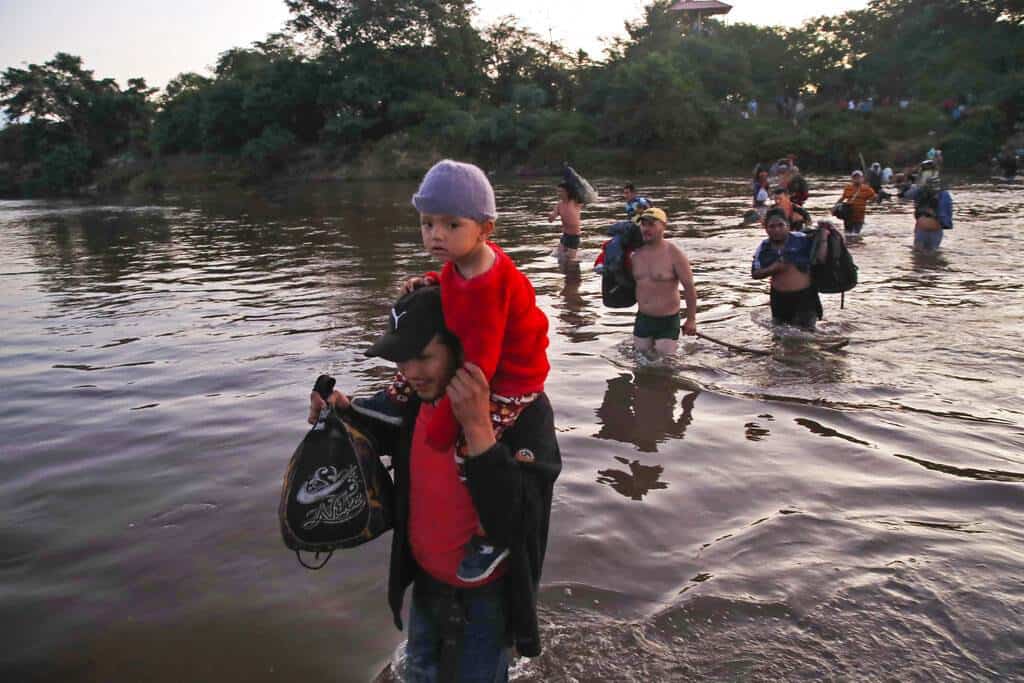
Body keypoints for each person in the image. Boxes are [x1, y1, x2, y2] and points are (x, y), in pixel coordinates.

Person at [309, 285, 560, 681]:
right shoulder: (414, 398)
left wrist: (478, 428)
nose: (409, 372)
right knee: (420, 673)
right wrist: (338, 413)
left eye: (423, 357)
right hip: (427, 578)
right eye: (401, 360)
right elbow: (381, 431)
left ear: (460, 349)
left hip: (490, 592)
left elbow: (518, 519)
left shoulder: (522, 413)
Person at [358, 159, 550, 585]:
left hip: (511, 381)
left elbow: (478, 368)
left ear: (486, 229)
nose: (436, 235)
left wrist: (448, 428)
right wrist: (426, 280)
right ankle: (389, 402)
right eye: (427, 224)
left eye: (450, 225)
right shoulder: (465, 262)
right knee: (407, 386)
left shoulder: (490, 291)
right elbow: (451, 275)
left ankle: (488, 538)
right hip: (429, 574)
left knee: (467, 447)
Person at [630, 207, 698, 355]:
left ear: (664, 226)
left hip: (667, 321)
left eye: (651, 224)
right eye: (643, 224)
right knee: (639, 361)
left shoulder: (675, 254)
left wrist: (691, 319)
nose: (646, 228)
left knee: (665, 366)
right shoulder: (634, 254)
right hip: (643, 318)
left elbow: (689, 287)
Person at [751, 207, 832, 330]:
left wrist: (824, 237)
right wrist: (774, 268)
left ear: (788, 226)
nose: (776, 230)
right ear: (766, 229)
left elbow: (820, 259)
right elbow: (755, 274)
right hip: (779, 299)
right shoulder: (764, 247)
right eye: (772, 226)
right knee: (779, 335)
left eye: (780, 225)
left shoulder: (802, 239)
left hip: (805, 298)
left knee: (805, 336)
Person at [906, 176, 954, 251]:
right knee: (926, 254)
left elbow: (907, 195)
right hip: (928, 229)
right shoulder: (921, 192)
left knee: (922, 254)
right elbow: (907, 195)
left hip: (930, 228)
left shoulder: (943, 194)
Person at [549, 181, 583, 260]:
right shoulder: (559, 205)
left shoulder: (575, 201)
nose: (558, 193)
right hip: (565, 236)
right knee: (559, 259)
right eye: (558, 191)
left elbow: (584, 195)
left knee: (571, 261)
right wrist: (551, 217)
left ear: (567, 192)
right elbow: (551, 219)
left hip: (574, 237)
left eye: (561, 191)